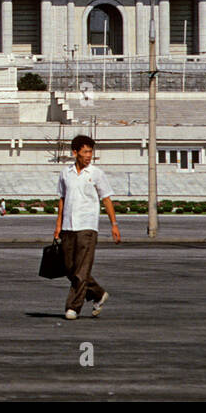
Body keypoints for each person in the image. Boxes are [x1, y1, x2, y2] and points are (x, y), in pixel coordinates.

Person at [55, 134, 120, 320]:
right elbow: (62, 199)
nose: (89, 155)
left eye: (91, 152)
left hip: (87, 226)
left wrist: (114, 225)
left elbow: (106, 199)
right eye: (85, 152)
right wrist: (58, 224)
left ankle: (73, 307)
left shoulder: (96, 173)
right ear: (75, 152)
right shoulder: (65, 173)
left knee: (82, 269)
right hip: (68, 226)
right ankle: (98, 294)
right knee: (69, 268)